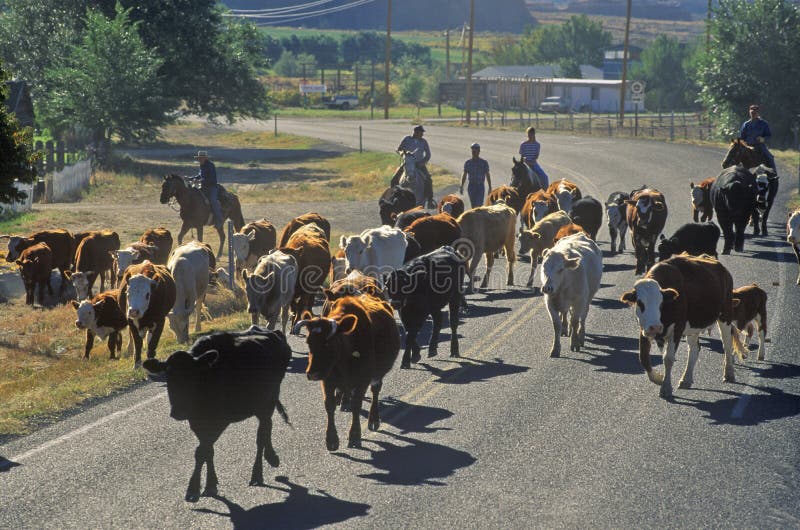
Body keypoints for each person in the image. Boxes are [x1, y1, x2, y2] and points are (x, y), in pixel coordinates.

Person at [391, 125, 435, 208]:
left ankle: (430, 200)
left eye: (422, 133)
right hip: (407, 163)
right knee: (394, 179)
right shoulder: (407, 139)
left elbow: (428, 155)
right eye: (421, 132)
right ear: (415, 132)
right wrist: (402, 153)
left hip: (419, 164)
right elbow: (399, 149)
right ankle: (392, 198)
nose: (422, 134)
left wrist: (422, 162)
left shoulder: (424, 142)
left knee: (428, 179)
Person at [740, 104, 776, 172]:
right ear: (749, 113)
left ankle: (774, 175)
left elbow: (769, 136)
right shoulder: (746, 124)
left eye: (754, 113)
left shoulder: (764, 124)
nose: (753, 114)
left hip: (759, 146)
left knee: (770, 158)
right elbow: (742, 137)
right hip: (747, 146)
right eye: (751, 113)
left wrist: (763, 139)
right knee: (736, 158)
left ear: (758, 113)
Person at [192, 150, 223, 228]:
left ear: (205, 158)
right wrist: (191, 178)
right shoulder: (201, 165)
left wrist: (200, 181)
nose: (199, 160)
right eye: (199, 158)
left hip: (212, 187)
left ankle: (219, 219)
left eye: (201, 158)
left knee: (213, 201)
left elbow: (212, 179)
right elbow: (200, 175)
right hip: (204, 187)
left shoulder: (210, 165)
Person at [460, 143, 492, 209]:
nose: (474, 152)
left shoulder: (484, 163)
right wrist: (461, 186)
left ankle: (479, 218)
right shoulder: (468, 163)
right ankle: (475, 218)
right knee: (473, 205)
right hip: (471, 186)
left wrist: (490, 186)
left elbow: (487, 175)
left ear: (479, 151)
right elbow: (464, 175)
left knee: (479, 204)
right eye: (473, 151)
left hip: (480, 187)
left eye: (475, 151)